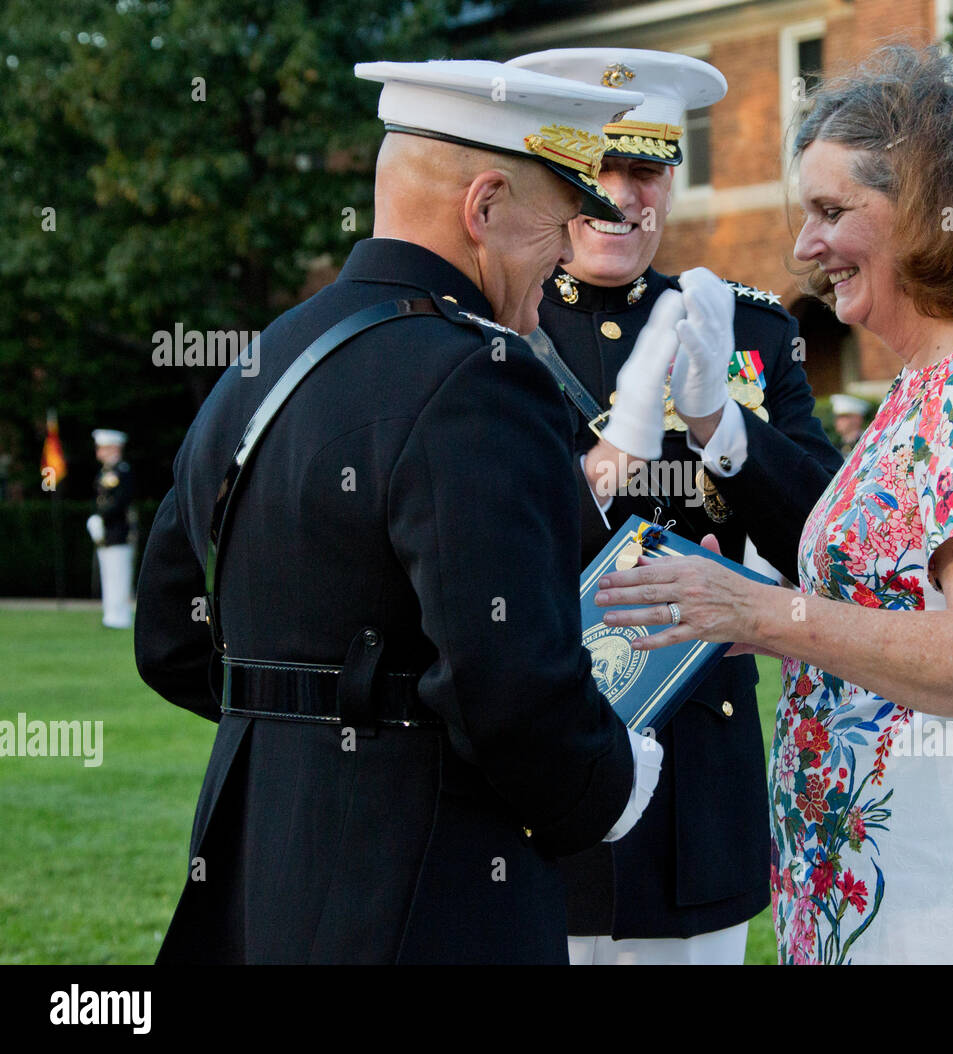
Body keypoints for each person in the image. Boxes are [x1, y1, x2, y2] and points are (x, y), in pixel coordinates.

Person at [594, 44, 953, 964]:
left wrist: (758, 613)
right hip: (904, 885)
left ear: (929, 210)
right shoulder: (940, 376)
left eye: (833, 212)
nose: (805, 248)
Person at [134, 60, 664, 964]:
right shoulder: (481, 380)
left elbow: (173, 641)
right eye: (561, 223)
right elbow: (510, 691)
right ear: (484, 207)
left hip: (254, 867)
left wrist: (306, 727)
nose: (569, 258)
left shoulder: (264, 358)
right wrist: (615, 782)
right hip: (424, 885)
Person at [505, 47, 843, 965]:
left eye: (645, 167)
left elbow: (828, 533)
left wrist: (721, 428)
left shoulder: (744, 331)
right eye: (597, 167)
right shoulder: (492, 336)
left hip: (697, 766)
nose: (621, 193)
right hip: (545, 766)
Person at [86, 429, 135, 629]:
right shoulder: (104, 473)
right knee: (108, 574)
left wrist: (102, 516)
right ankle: (111, 614)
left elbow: (121, 501)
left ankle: (121, 615)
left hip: (119, 532)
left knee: (119, 574)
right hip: (106, 533)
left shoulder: (123, 472)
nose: (100, 452)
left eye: (104, 448)